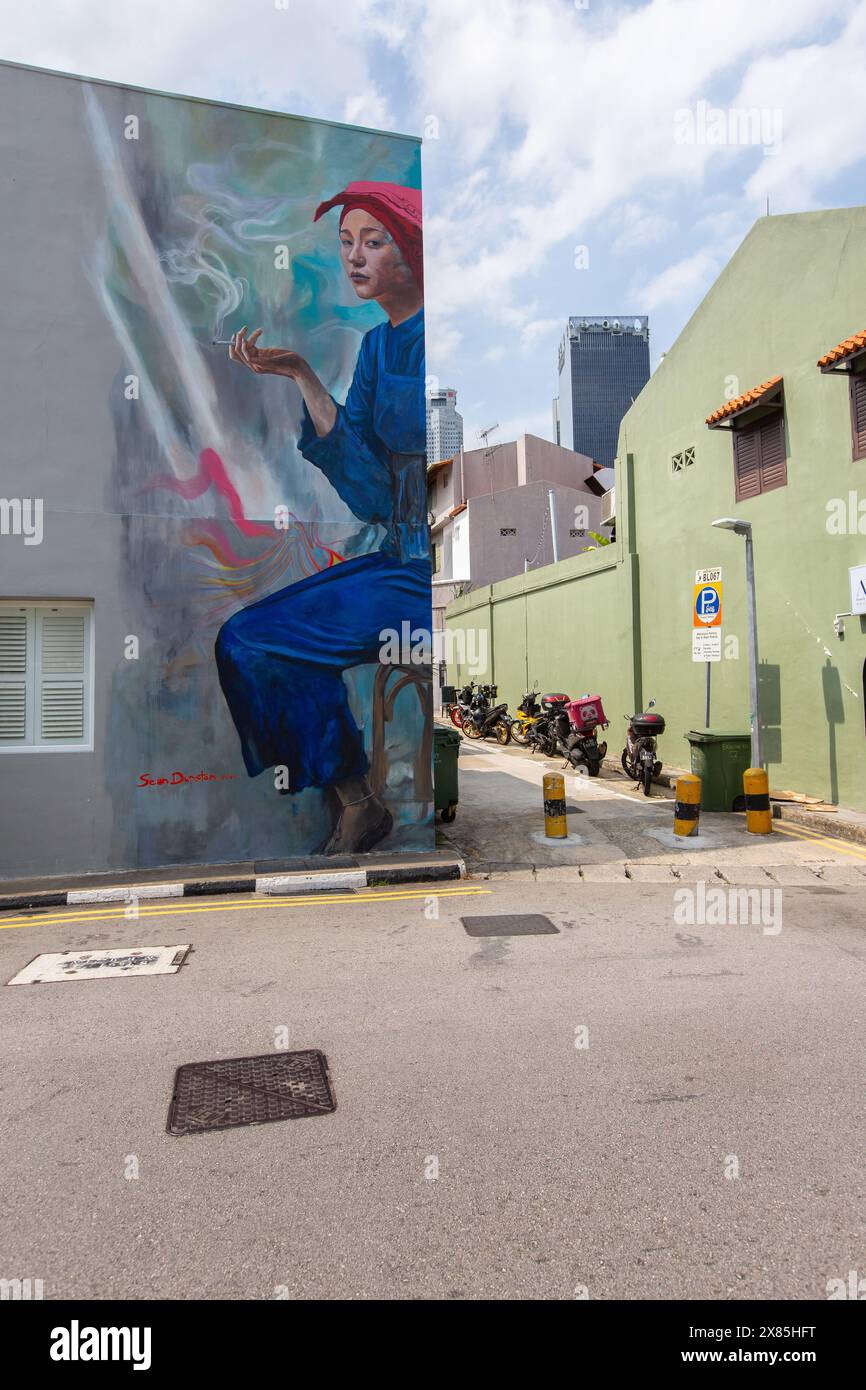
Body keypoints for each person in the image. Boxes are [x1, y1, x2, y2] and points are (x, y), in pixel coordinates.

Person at [215, 181, 430, 855]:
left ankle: (364, 806)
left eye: (373, 241)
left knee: (264, 639)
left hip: (435, 580)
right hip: (394, 562)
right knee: (249, 640)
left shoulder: (435, 342)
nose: (354, 258)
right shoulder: (376, 349)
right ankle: (358, 804)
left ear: (415, 250)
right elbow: (368, 493)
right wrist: (304, 375)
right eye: (346, 243)